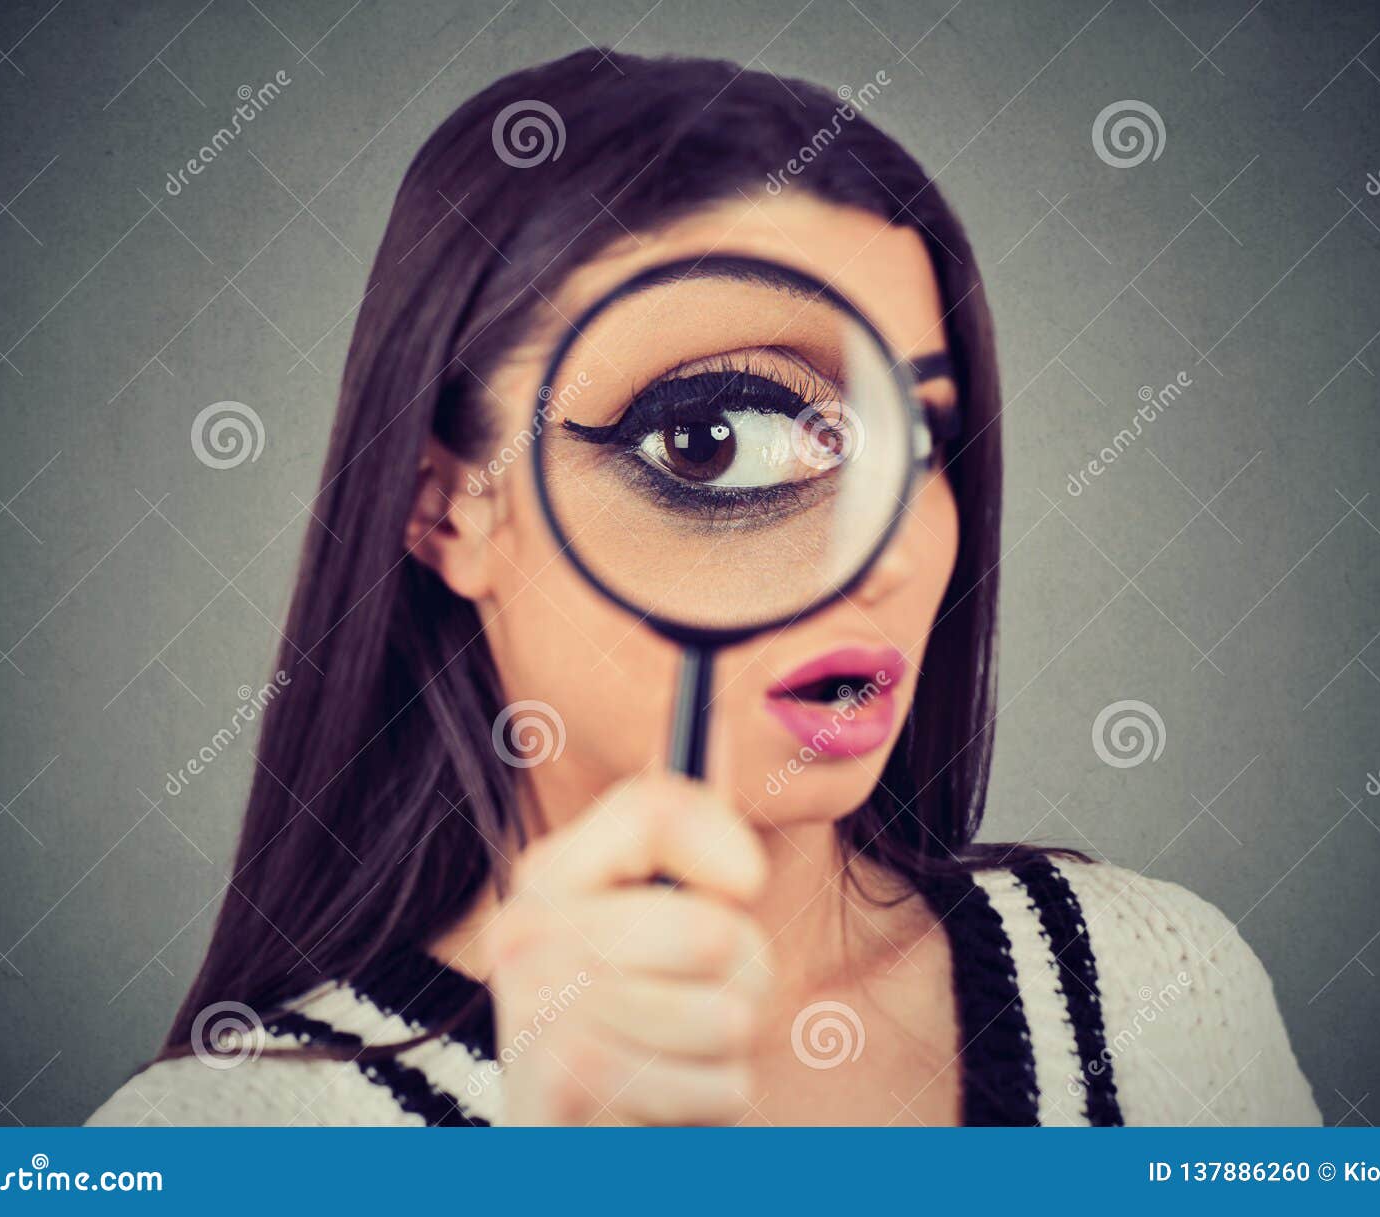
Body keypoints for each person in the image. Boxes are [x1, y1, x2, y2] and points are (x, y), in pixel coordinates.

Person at [89, 48, 1318, 1127]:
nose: (889, 555)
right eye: (715, 436)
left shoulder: (1148, 984)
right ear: (444, 505)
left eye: (921, 436)